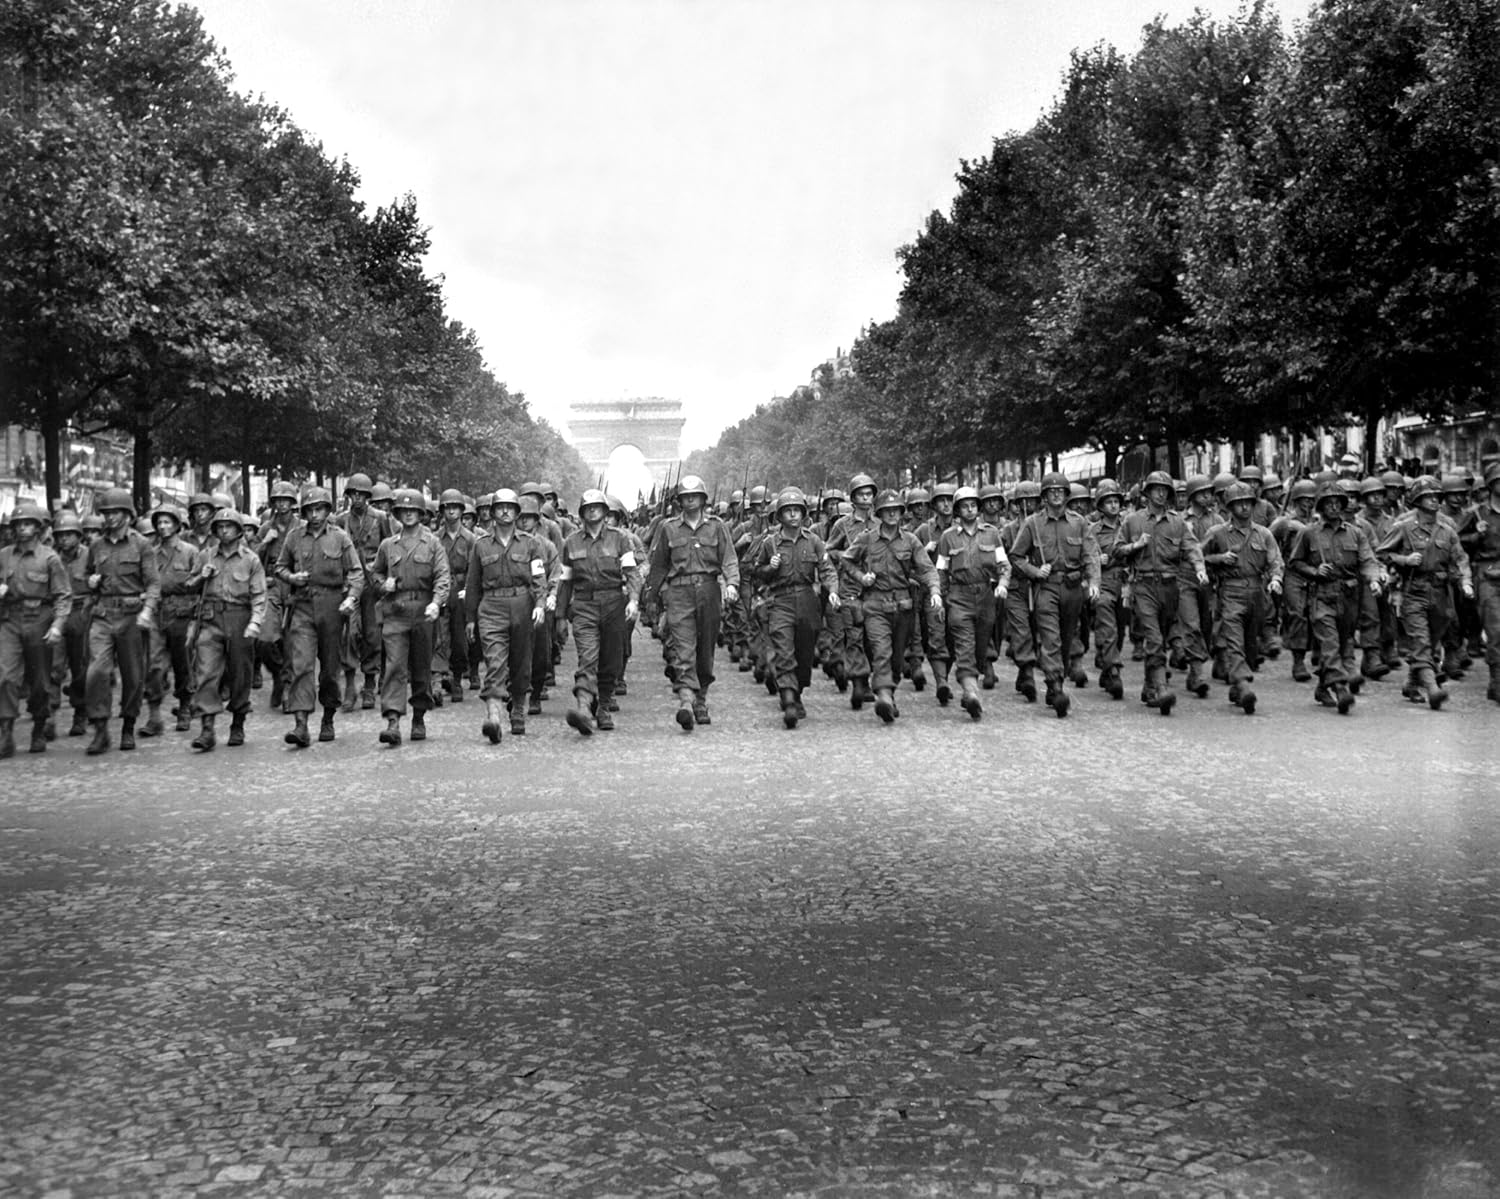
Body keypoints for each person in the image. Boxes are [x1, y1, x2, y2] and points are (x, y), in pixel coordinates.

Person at [644, 474, 740, 730]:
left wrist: (732, 584)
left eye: (694, 496)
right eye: (685, 497)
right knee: (683, 647)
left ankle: (701, 698)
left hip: (708, 591)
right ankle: (686, 700)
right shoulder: (668, 528)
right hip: (679, 592)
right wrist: (650, 598)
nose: (690, 501)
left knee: (705, 649)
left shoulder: (717, 527)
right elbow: (659, 565)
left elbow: (729, 558)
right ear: (679, 501)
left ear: (703, 499)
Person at [743, 489, 841, 728]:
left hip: (808, 600)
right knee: (783, 649)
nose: (793, 515)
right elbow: (756, 574)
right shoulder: (769, 544)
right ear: (780, 516)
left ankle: (797, 691)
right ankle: (787, 696)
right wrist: (770, 568)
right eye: (788, 511)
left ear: (803, 514)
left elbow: (827, 569)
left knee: (805, 652)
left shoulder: (814, 541)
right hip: (780, 601)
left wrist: (833, 590)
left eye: (797, 510)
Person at [842, 490, 941, 722]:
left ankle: (890, 692)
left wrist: (935, 591)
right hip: (875, 604)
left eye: (896, 510)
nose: (892, 514)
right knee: (881, 651)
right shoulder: (867, 538)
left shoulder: (910, 540)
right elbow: (847, 560)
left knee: (897, 657)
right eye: (887, 511)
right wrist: (860, 577)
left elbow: (927, 569)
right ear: (880, 513)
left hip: (903, 606)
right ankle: (883, 695)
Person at [1007, 473, 1101, 718]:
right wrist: (1035, 571)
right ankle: (1055, 685)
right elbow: (1016, 556)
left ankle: (1056, 677)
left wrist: (1093, 582)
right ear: (1045, 497)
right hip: (1046, 587)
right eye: (1051, 491)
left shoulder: (1079, 523)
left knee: (1068, 637)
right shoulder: (1033, 524)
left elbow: (1090, 555)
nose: (1056, 494)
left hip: (1073, 589)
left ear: (1067, 495)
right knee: (1051, 638)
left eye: (1061, 490)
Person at [275, 486, 363, 747]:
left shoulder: (340, 537)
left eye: (319, 509)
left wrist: (351, 598)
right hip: (302, 605)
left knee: (329, 669)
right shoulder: (294, 537)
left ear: (327, 511)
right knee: (301, 665)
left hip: (332, 606)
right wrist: (291, 577)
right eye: (310, 510)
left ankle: (328, 716)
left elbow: (356, 572)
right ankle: (301, 724)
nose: (314, 515)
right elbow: (280, 566)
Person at [1376, 476, 1473, 710]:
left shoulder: (1447, 530)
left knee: (1431, 641)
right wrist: (1404, 559)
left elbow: (1460, 559)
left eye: (1436, 497)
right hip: (1415, 591)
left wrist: (1466, 582)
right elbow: (1381, 554)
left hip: (1441, 594)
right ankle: (1432, 689)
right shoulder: (1404, 528)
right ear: (1417, 501)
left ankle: (1412, 683)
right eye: (1428, 497)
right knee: (1421, 641)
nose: (1434, 501)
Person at [1285, 482, 1381, 714]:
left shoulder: (1356, 533)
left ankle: (1321, 687)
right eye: (1329, 503)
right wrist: (1314, 572)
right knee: (1330, 643)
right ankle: (1340, 689)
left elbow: (1367, 560)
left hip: (1349, 597)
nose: (1334, 507)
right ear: (1320, 507)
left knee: (1342, 642)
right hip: (1321, 596)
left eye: (1339, 503)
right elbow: (1295, 563)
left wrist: (1374, 579)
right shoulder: (1309, 533)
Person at [1118, 471, 1208, 714]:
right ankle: (1160, 687)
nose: (1161, 493)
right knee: (1154, 638)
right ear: (1147, 493)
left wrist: (1199, 569)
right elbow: (1117, 551)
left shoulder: (1178, 522)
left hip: (1170, 587)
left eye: (1165, 489)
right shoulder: (1132, 521)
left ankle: (1148, 686)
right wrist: (1135, 546)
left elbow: (1191, 548)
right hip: (1144, 585)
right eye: (1156, 489)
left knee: (1163, 636)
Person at [81, 489, 161, 753]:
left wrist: (147, 610)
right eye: (106, 513)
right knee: (97, 672)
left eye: (116, 512)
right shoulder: (96, 546)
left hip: (131, 617)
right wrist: (91, 582)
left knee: (133, 675)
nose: (111, 517)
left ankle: (128, 725)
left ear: (128, 515)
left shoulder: (141, 545)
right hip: (103, 615)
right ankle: (100, 728)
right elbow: (87, 577)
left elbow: (153, 583)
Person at [465, 488, 547, 742]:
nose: (504, 511)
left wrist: (540, 604)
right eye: (500, 507)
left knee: (521, 662)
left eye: (509, 508)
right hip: (491, 606)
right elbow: (473, 584)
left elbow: (539, 577)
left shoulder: (531, 544)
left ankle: (518, 709)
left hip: (522, 604)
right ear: (492, 513)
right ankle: (494, 716)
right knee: (494, 660)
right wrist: (470, 618)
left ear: (516, 513)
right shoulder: (480, 546)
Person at [556, 489, 641, 735]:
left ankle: (602, 706)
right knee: (587, 657)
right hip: (584, 605)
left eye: (597, 507)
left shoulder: (620, 539)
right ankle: (583, 708)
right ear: (582, 513)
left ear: (605, 512)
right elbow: (566, 581)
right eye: (588, 507)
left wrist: (633, 600)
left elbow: (632, 573)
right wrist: (560, 617)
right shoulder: (571, 542)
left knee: (611, 659)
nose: (592, 510)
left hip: (614, 603)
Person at [370, 489, 451, 746]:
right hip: (395, 613)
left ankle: (419, 715)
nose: (408, 514)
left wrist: (437, 603)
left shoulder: (433, 544)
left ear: (421, 514)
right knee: (394, 665)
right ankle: (393, 721)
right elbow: (375, 575)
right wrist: (384, 586)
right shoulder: (388, 545)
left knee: (420, 667)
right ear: (397, 514)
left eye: (413, 510)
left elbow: (442, 577)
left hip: (423, 613)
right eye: (404, 511)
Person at [185, 510, 267, 750]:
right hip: (210, 619)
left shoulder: (250, 559)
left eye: (229, 526)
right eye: (220, 527)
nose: (224, 531)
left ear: (239, 530)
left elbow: (259, 594)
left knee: (241, 673)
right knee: (206, 671)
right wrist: (201, 576)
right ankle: (207, 729)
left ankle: (238, 722)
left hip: (240, 618)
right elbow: (188, 586)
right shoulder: (205, 556)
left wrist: (255, 622)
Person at [1201, 483, 1283, 714]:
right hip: (1230, 591)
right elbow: (1197, 555)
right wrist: (1218, 558)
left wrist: (1276, 578)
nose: (1245, 507)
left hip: (1257, 592)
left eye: (1248, 502)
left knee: (1250, 645)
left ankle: (1237, 687)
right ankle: (1243, 683)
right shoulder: (1218, 533)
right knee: (1234, 641)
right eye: (1239, 503)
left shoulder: (1263, 533)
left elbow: (1275, 560)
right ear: (1230, 507)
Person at [0, 502, 70, 757]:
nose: (22, 528)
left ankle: (39, 724)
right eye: (18, 524)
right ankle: (5, 731)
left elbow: (63, 596)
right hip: (10, 619)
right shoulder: (4, 555)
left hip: (39, 619)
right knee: (5, 676)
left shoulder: (49, 558)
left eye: (28, 524)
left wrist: (57, 626)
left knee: (40, 681)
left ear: (38, 528)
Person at [933, 486, 1008, 719]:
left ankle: (969, 689)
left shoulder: (991, 533)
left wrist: (1003, 583)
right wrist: (940, 598)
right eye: (964, 506)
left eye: (973, 505)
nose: (970, 509)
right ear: (957, 510)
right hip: (959, 596)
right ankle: (971, 691)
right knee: (964, 645)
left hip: (986, 596)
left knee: (980, 647)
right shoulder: (948, 537)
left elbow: (1003, 564)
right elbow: (941, 572)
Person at [334, 473, 392, 709]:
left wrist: (385, 578)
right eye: (353, 494)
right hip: (350, 584)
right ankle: (349, 684)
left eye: (361, 495)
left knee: (372, 635)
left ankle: (369, 684)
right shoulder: (340, 521)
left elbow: (390, 548)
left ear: (368, 497)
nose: (357, 498)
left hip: (372, 586)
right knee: (348, 635)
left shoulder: (380, 518)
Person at [140, 503, 197, 738]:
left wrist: (196, 618)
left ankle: (185, 707)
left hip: (183, 613)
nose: (163, 527)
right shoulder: (150, 554)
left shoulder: (191, 552)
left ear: (177, 524)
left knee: (182, 664)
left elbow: (200, 585)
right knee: (153, 665)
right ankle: (154, 716)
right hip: (157, 612)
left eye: (167, 522)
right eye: (159, 523)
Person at [47, 511, 93, 736]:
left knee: (80, 668)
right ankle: (50, 715)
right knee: (53, 666)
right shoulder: (50, 558)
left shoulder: (90, 555)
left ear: (79, 535)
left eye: (69, 534)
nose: (64, 539)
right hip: (57, 614)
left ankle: (80, 713)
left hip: (81, 612)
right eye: (60, 535)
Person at [1460, 461, 1500, 702]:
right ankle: (1497, 680)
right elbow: (1456, 542)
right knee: (1496, 631)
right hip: (1488, 575)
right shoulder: (1476, 514)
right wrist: (1477, 535)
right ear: (1492, 484)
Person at [434, 488, 477, 704]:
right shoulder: (434, 539)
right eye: (447, 507)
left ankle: (458, 678)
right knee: (440, 637)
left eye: (455, 507)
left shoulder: (470, 539)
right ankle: (440, 679)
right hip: (441, 591)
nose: (451, 511)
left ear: (461, 511)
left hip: (461, 591)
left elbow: (474, 568)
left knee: (460, 640)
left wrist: (469, 590)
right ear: (442, 511)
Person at [1089, 479, 1130, 700]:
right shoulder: (1093, 530)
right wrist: (1097, 560)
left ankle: (1106, 668)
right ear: (1100, 505)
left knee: (1121, 629)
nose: (1113, 506)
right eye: (1108, 502)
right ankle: (1114, 670)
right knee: (1107, 626)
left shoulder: (1130, 525)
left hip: (1124, 582)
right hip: (1103, 580)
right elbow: (1085, 555)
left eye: (1116, 501)